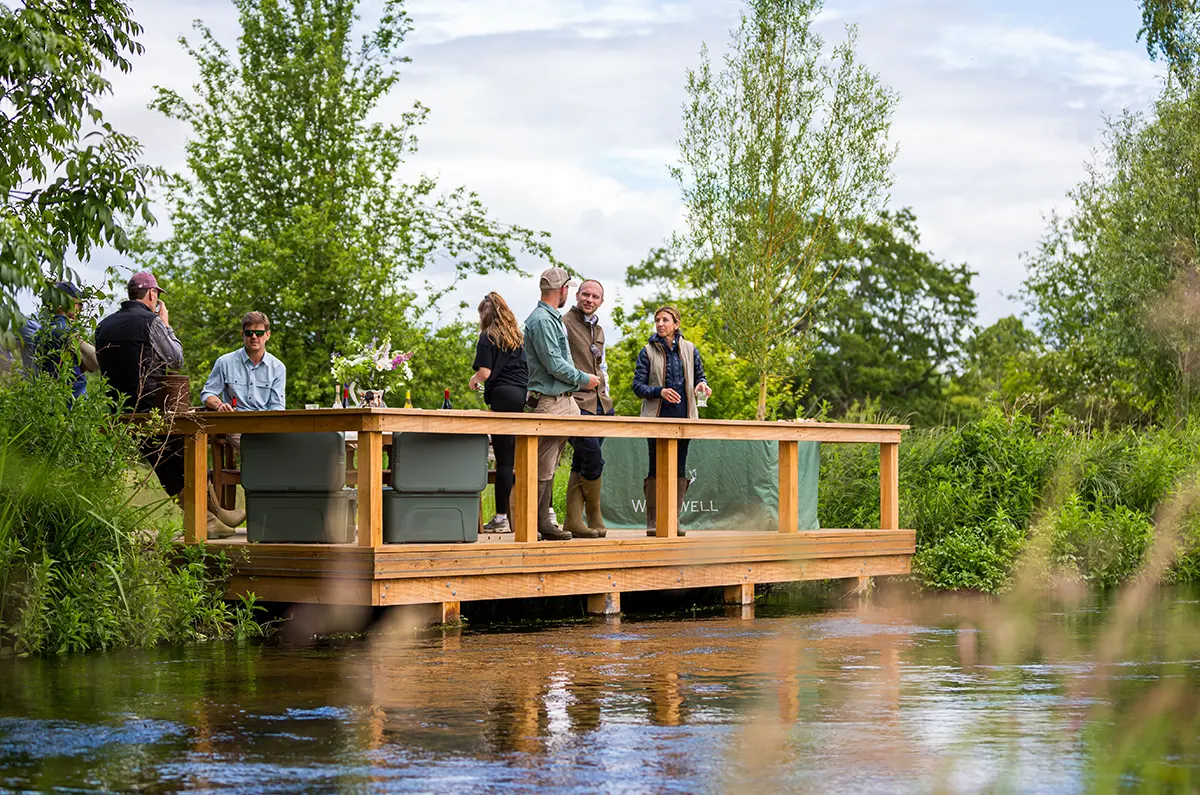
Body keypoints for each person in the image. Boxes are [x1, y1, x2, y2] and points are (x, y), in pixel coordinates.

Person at [94, 272, 213, 532]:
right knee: (186, 451)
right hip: (152, 409)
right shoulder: (151, 322)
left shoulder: (103, 325)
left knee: (164, 461)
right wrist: (165, 324)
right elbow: (176, 359)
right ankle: (207, 518)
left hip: (120, 411)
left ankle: (208, 516)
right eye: (157, 294)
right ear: (152, 295)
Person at [523, 267, 602, 541]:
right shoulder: (543, 321)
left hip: (564, 401)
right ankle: (537, 522)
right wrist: (584, 379)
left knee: (551, 464)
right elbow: (554, 364)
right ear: (564, 290)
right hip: (550, 401)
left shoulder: (550, 318)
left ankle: (544, 521)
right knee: (541, 466)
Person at [199, 311, 287, 535]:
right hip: (237, 426)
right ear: (243, 334)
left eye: (259, 333)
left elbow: (277, 407)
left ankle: (272, 514)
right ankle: (263, 516)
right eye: (249, 333)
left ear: (267, 335)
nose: (254, 337)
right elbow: (207, 393)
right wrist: (219, 405)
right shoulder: (225, 362)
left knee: (290, 449)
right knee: (260, 452)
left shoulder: (278, 368)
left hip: (267, 427)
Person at [632, 306, 713, 537]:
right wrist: (659, 391)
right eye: (657, 320)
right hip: (656, 419)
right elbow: (637, 386)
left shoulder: (690, 349)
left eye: (665, 320)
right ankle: (654, 521)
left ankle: (673, 521)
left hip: (684, 418)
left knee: (679, 468)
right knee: (655, 467)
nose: (660, 324)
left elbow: (700, 376)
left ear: (676, 324)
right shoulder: (647, 351)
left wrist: (702, 385)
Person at [469, 292, 529, 534]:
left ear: (485, 314)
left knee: (504, 461)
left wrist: (473, 381)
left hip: (502, 396)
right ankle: (524, 514)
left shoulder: (487, 337)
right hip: (520, 395)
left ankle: (501, 517)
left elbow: (484, 372)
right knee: (513, 458)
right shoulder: (517, 338)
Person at [562, 279, 613, 538]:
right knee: (593, 457)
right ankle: (594, 514)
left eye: (595, 297)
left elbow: (602, 367)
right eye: (585, 294)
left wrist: (607, 394)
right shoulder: (564, 323)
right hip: (575, 403)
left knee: (583, 460)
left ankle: (572, 520)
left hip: (602, 405)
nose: (589, 300)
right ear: (577, 295)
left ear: (601, 302)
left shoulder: (600, 330)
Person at [37, 281, 99, 400]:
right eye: (78, 303)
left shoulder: (41, 330)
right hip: (72, 402)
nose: (80, 308)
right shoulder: (67, 331)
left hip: (47, 400)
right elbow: (96, 362)